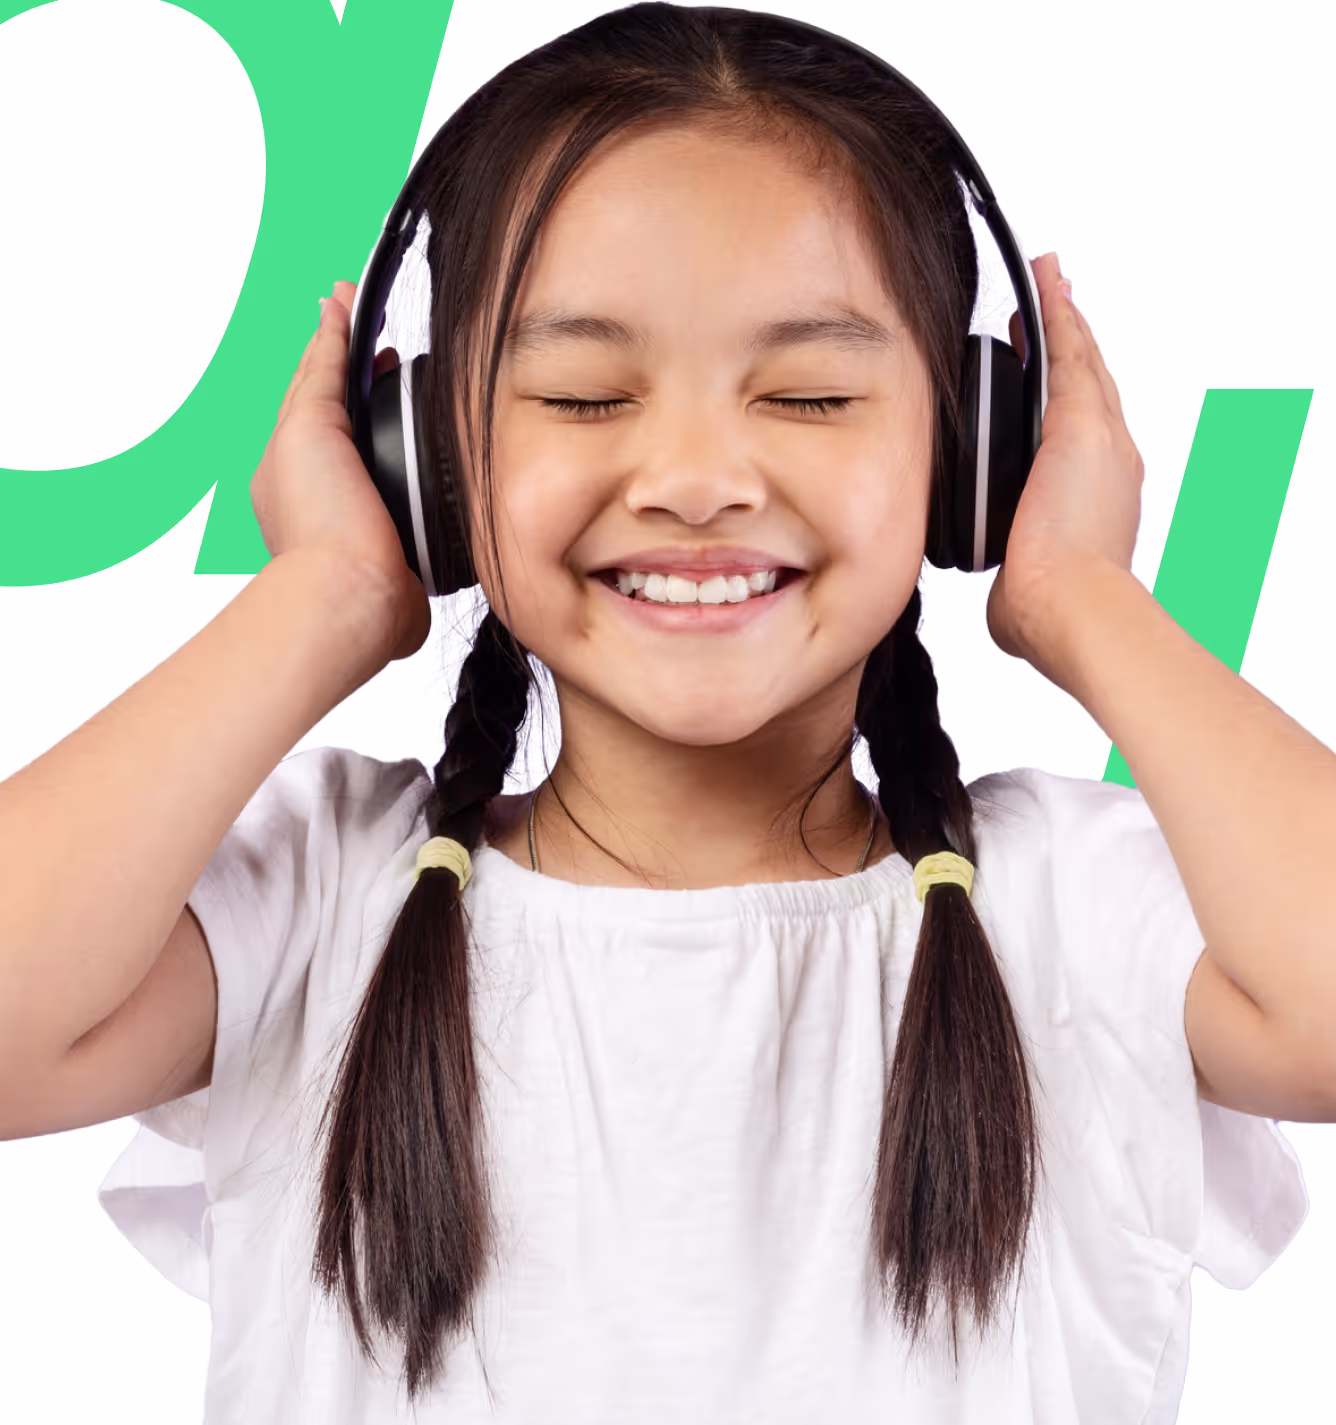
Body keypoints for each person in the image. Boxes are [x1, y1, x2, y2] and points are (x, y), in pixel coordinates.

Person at [0, 4, 1323, 1421]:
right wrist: (324, 594)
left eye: (811, 395)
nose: (696, 477)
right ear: (428, 462)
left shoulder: (1071, 913)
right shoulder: (325, 898)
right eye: (582, 394)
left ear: (975, 450)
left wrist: (1082, 596)